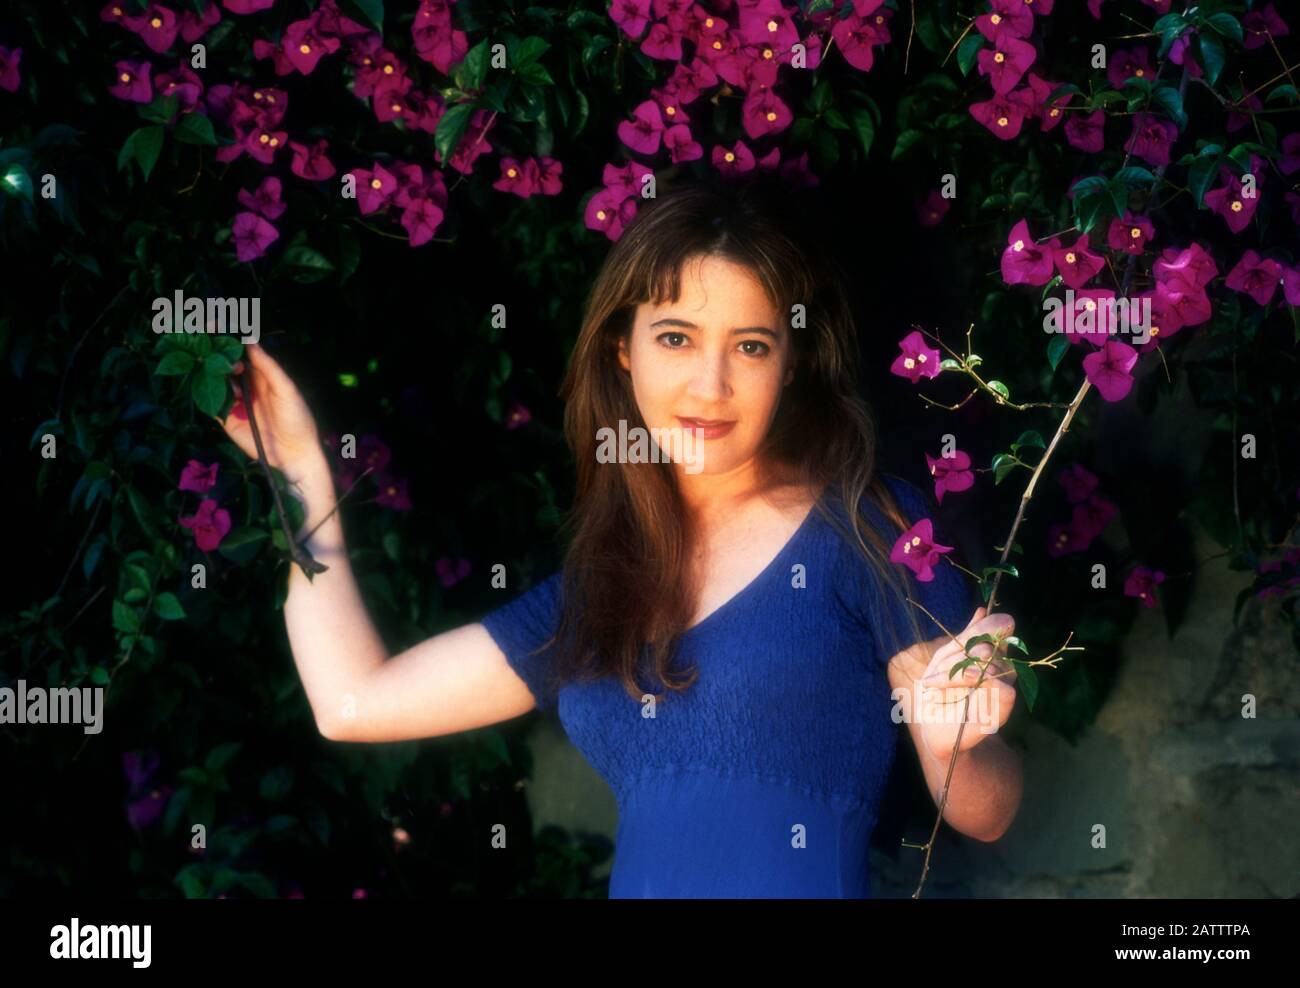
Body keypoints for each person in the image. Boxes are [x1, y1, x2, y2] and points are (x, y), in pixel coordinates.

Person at [220, 179, 1023, 898]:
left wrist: (953, 742)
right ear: (622, 348)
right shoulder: (600, 586)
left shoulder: (870, 525)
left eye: (751, 346)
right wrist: (299, 480)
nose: (710, 386)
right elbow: (353, 702)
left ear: (793, 361)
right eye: (675, 337)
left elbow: (986, 814)